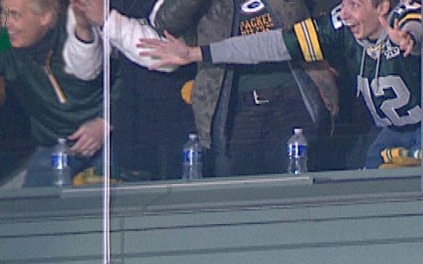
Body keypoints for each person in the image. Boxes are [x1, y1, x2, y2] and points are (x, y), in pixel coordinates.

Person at [141, 0, 420, 170]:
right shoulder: (337, 24)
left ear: (382, 7)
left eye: (355, 5)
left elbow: (418, 23)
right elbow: (275, 43)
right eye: (344, 3)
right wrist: (196, 54)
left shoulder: (401, 15)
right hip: (387, 132)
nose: (345, 13)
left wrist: (411, 39)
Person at [144, 0, 339, 176]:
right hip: (234, 108)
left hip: (294, 100)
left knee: (297, 194)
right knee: (236, 196)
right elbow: (165, 23)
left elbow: (330, 18)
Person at [70, 0, 197, 180]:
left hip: (180, 117)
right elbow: (86, 72)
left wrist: (106, 20)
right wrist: (84, 29)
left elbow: (166, 56)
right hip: (132, 121)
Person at [0, 0, 107, 186]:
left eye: (15, 15)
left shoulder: (80, 34)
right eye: (3, 14)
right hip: (53, 147)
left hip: (109, 142)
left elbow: (128, 82)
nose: (6, 23)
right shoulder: (3, 46)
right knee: (36, 206)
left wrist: (104, 122)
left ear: (45, 17)